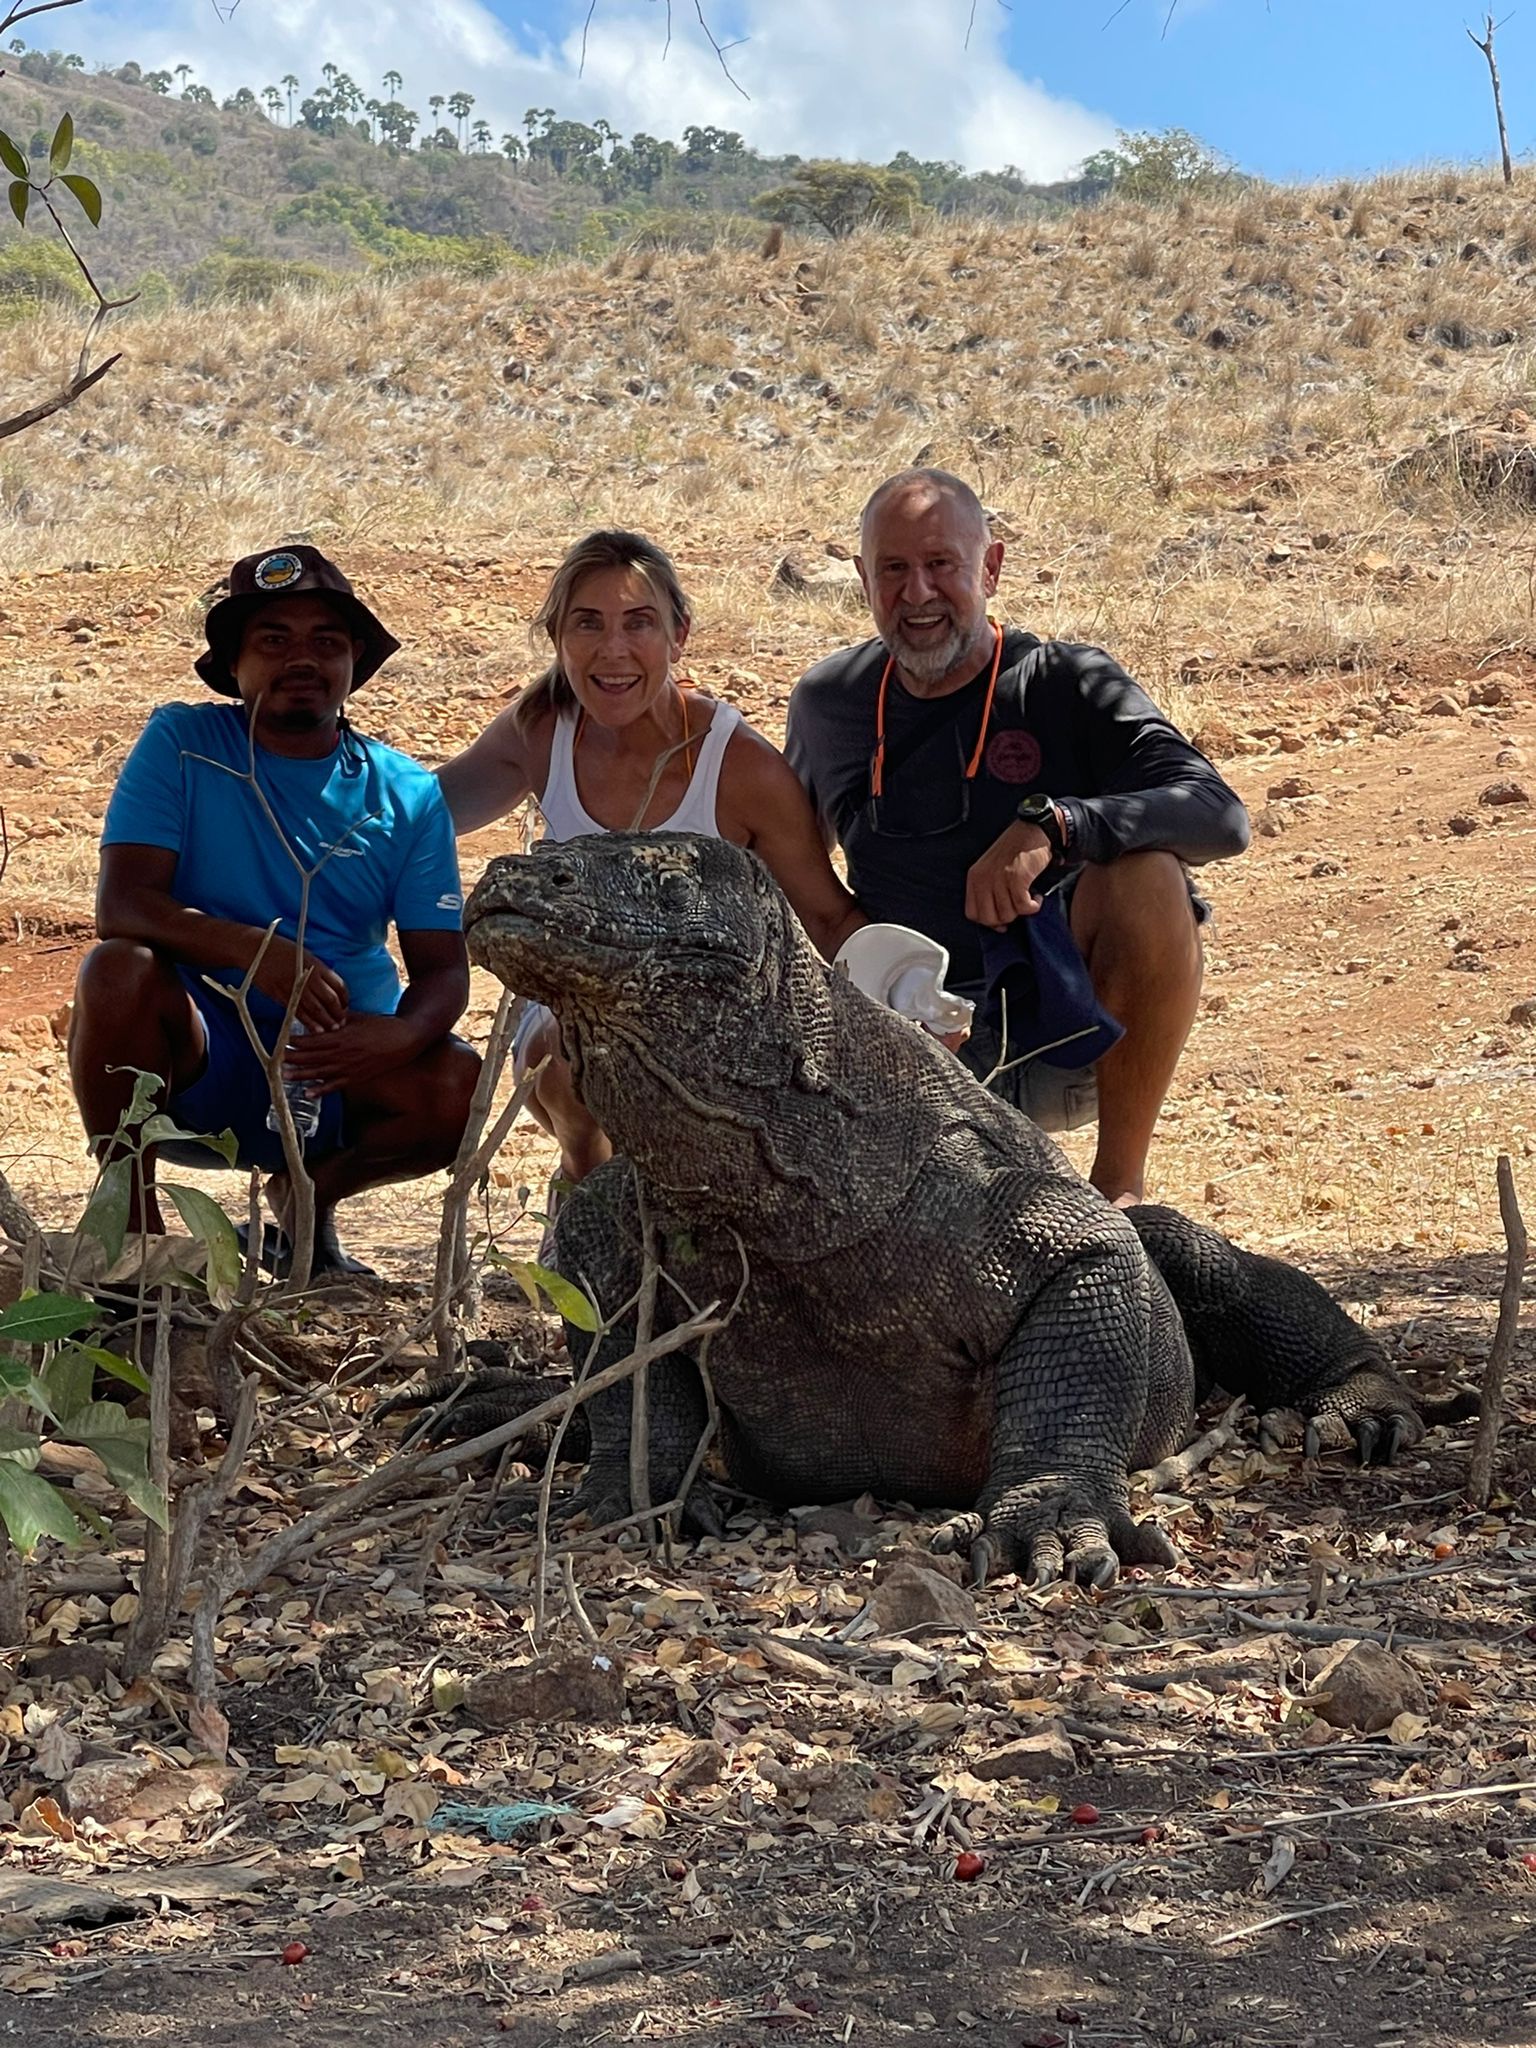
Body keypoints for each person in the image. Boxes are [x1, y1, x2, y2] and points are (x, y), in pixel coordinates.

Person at [784, 468, 1250, 1206]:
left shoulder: (1066, 683)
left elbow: (1220, 815)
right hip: (904, 1055)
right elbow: (784, 866)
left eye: (942, 565)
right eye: (894, 570)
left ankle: (1120, 1191)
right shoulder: (829, 702)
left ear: (991, 567)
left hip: (1068, 1038)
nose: (918, 595)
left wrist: (1059, 825)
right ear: (862, 577)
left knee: (1148, 874)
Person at [69, 545, 480, 1277]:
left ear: (355, 660)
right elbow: (122, 906)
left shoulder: (408, 794)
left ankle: (308, 1198)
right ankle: (131, 1232)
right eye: (273, 640)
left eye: (326, 641)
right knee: (117, 970)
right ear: (233, 664)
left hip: (333, 1059)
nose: (302, 659)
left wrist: (397, 1035)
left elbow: (444, 970)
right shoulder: (182, 744)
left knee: (460, 1086)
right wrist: (254, 953)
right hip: (202, 1049)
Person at [439, 528, 864, 1189]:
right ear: (558, 636)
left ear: (679, 634)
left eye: (639, 623)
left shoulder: (739, 767)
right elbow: (419, 816)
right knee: (573, 1047)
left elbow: (827, 918)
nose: (613, 650)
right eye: (588, 623)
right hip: (572, 1016)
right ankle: (584, 1194)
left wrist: (905, 996)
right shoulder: (541, 729)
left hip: (716, 1023)